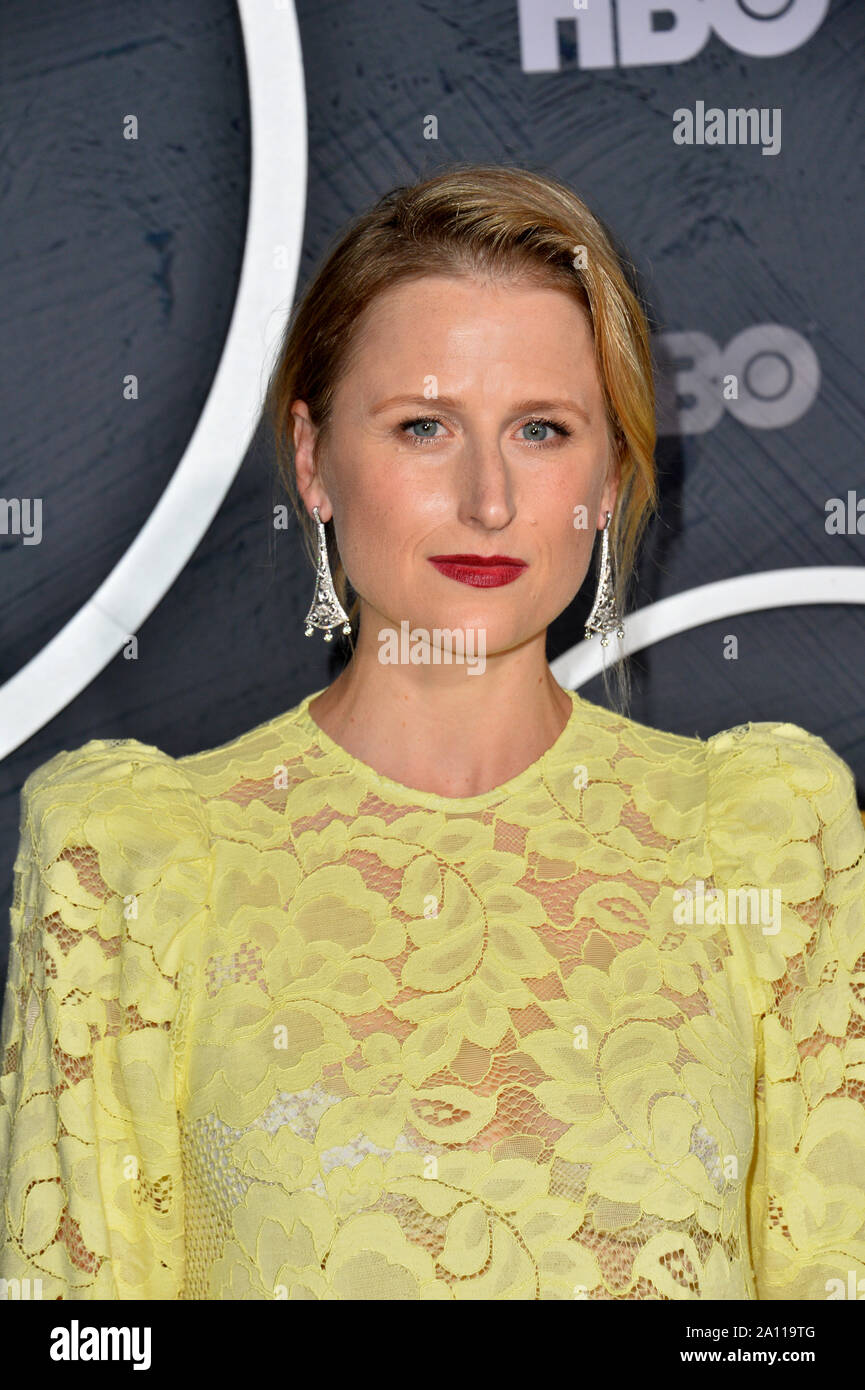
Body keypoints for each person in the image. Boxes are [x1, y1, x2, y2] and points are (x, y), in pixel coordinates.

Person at [1, 164, 863, 1300]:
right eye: (422, 425)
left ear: (607, 476)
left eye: (543, 429)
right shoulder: (137, 861)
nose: (490, 498)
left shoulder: (759, 843)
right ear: (312, 461)